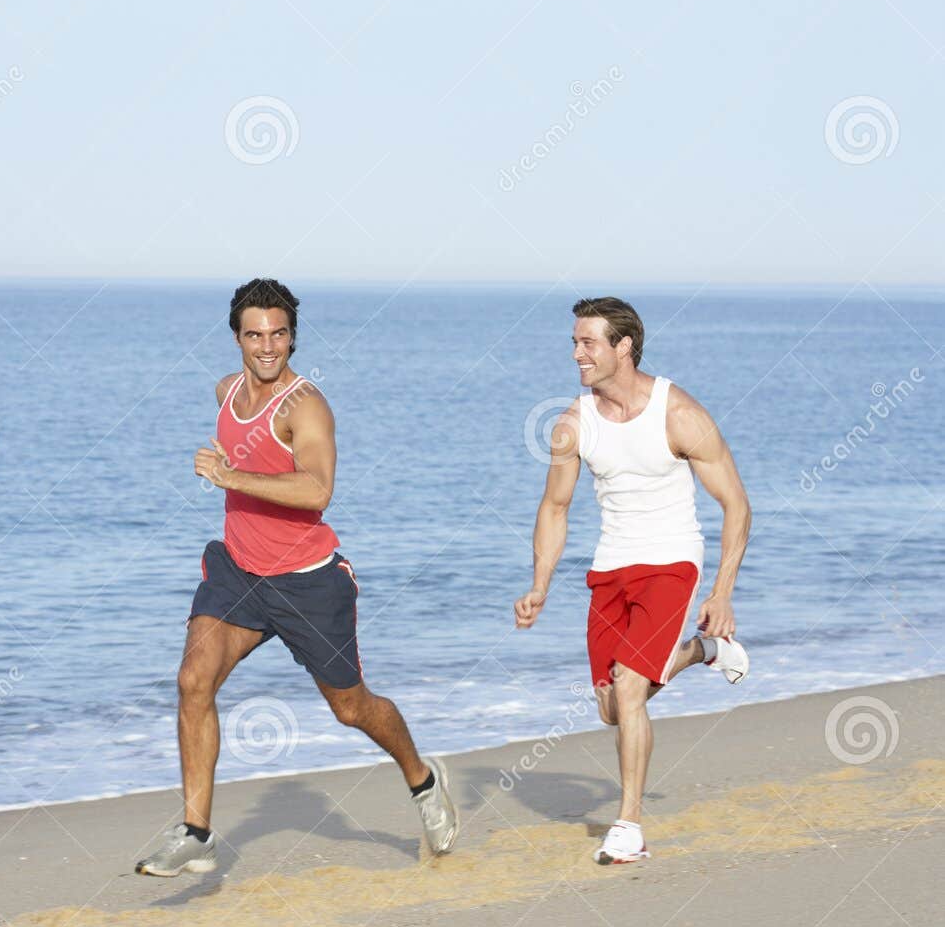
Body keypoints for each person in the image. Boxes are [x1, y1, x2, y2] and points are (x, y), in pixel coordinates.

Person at [136, 278, 457, 875]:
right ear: (236, 338)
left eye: (278, 334)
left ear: (292, 338)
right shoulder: (227, 391)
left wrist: (231, 478)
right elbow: (237, 432)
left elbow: (317, 491)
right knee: (192, 681)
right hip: (240, 573)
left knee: (352, 708)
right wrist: (235, 477)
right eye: (255, 334)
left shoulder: (306, 406)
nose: (267, 346)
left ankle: (422, 778)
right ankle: (197, 830)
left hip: (308, 581)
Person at [514, 296, 751, 865]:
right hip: (611, 566)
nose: (576, 353)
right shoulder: (573, 424)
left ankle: (629, 826)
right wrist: (540, 583)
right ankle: (702, 652)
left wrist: (721, 591)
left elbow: (736, 504)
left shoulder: (679, 414)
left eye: (588, 342)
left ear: (624, 347)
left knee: (629, 683)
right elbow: (554, 508)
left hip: (672, 561)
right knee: (614, 707)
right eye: (574, 342)